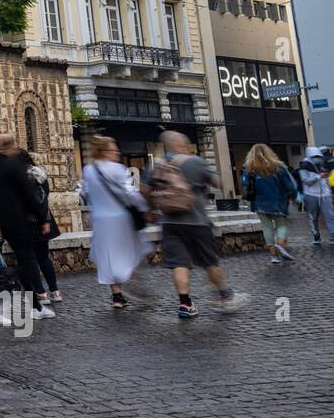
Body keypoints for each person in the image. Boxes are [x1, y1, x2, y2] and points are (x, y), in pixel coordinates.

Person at [142, 131, 248, 319]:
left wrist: (150, 211)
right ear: (182, 144)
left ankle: (185, 304)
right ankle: (225, 296)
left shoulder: (156, 165)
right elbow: (219, 183)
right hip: (197, 220)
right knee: (209, 261)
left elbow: (145, 190)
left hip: (169, 221)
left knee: (179, 264)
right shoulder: (195, 162)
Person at [0, 134, 54, 320]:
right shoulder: (15, 165)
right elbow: (29, 194)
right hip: (20, 221)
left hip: (7, 222)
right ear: (13, 145)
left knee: (25, 261)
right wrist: (43, 217)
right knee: (28, 263)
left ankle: (36, 307)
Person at [81, 136, 152, 308]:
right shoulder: (118, 169)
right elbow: (130, 194)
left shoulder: (88, 170)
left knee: (109, 256)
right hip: (120, 219)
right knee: (130, 253)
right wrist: (144, 208)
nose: (117, 152)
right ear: (105, 151)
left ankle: (117, 297)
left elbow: (86, 193)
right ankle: (134, 282)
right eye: (114, 149)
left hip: (101, 220)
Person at [241, 143, 298, 264]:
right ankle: (280, 245)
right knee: (281, 224)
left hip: (259, 203)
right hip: (278, 201)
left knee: (266, 226)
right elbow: (290, 186)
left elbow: (244, 184)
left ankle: (274, 256)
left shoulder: (249, 169)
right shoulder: (278, 167)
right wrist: (293, 196)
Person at [26, 157, 64, 305]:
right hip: (45, 222)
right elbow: (45, 202)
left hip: (30, 224)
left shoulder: (25, 183)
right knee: (43, 257)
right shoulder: (42, 180)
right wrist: (46, 221)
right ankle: (55, 291)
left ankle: (41, 293)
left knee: (31, 259)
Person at [297, 145, 333, 245]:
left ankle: (333, 235)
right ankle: (316, 236)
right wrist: (318, 176)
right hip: (311, 195)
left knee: (330, 216)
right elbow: (306, 181)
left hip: (325, 194)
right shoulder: (304, 165)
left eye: (318, 156)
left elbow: (326, 180)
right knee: (313, 217)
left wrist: (328, 189)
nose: (317, 158)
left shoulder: (322, 163)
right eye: (314, 156)